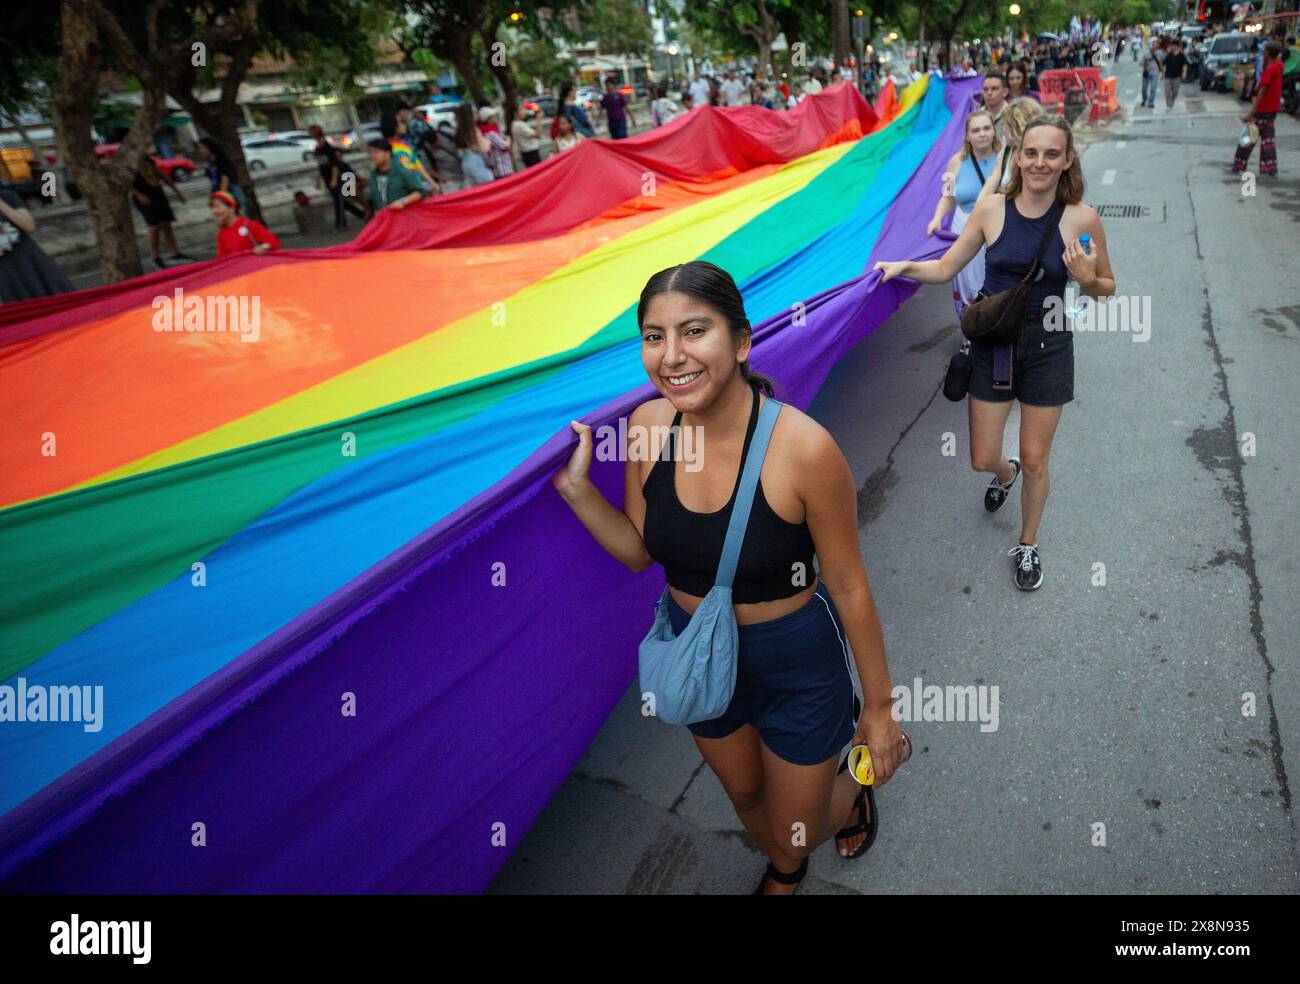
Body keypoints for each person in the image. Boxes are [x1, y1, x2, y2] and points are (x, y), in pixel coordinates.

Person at [551, 260, 907, 894]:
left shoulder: (804, 449)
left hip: (796, 665)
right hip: (698, 654)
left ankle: (850, 793)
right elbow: (640, 552)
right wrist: (578, 491)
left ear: (741, 343)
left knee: (797, 827)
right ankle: (784, 863)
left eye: (694, 330)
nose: (671, 355)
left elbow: (850, 586)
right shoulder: (648, 429)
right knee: (745, 793)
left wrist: (878, 712)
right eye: (653, 335)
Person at [874, 117, 1115, 591]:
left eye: (1051, 154)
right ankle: (1006, 474)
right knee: (983, 457)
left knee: (1037, 458)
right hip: (994, 343)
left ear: (1067, 160)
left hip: (1049, 345)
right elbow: (946, 268)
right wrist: (903, 267)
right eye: (1031, 153)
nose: (1040, 163)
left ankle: (1028, 543)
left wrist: (1087, 280)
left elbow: (1107, 286)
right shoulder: (990, 210)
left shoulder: (1081, 218)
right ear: (1017, 156)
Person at [928, 110, 1002, 321]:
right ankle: (970, 337)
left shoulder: (1006, 158)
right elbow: (948, 195)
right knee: (968, 285)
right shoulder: (956, 162)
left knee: (998, 284)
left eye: (987, 128)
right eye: (976, 130)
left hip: (999, 229)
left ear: (994, 131)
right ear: (968, 135)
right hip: (965, 228)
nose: (982, 134)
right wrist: (937, 219)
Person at [0, 183, 73, 302]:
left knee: (55, 295)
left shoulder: (7, 196)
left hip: (30, 259)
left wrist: (3, 206)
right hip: (5, 270)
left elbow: (29, 226)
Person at [131, 154, 194, 271]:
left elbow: (160, 174)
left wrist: (176, 190)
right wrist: (138, 194)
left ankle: (175, 254)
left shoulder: (147, 159)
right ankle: (155, 258)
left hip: (157, 193)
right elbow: (126, 180)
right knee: (154, 227)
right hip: (144, 197)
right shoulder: (129, 159)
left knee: (166, 224)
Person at [1233, 40, 1284, 178]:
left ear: (1267, 52)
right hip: (1273, 110)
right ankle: (1270, 167)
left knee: (1249, 137)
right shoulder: (1279, 66)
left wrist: (1251, 113)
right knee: (1268, 140)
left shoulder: (1270, 69)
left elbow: (1262, 92)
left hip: (1262, 110)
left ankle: (1239, 164)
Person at [309, 125, 366, 230]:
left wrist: (334, 179)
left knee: (339, 201)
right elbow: (321, 165)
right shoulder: (318, 149)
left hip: (335, 178)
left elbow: (334, 165)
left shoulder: (328, 148)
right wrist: (318, 180)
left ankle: (340, 224)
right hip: (328, 178)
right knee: (341, 201)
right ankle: (362, 214)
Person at [209, 190, 280, 257]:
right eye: (212, 208)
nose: (214, 211)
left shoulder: (250, 225)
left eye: (217, 206)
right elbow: (222, 260)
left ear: (232, 208)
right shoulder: (221, 235)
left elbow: (273, 242)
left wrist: (263, 247)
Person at [381, 111, 440, 192]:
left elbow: (416, 163)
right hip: (407, 191)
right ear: (393, 126)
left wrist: (431, 182)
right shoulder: (387, 148)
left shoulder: (404, 143)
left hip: (417, 187)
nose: (404, 125)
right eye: (401, 123)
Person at [366, 138, 428, 212]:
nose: (372, 155)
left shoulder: (400, 171)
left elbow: (421, 192)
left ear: (388, 153)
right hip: (385, 218)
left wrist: (403, 201)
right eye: (370, 152)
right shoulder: (374, 175)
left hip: (403, 216)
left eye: (376, 152)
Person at [196, 136, 245, 214]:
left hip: (231, 195)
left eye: (201, 148)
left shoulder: (220, 160)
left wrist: (221, 199)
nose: (200, 151)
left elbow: (225, 181)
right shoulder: (211, 164)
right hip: (223, 195)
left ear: (209, 148)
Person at [453, 104, 495, 187]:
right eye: (474, 112)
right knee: (488, 186)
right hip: (476, 161)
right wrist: (488, 141)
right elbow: (484, 149)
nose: (476, 114)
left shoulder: (459, 130)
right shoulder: (474, 129)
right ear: (469, 115)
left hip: (466, 162)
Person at [477, 106, 514, 179]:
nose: (497, 117)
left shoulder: (495, 130)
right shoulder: (490, 133)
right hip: (502, 170)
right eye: (494, 116)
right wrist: (509, 139)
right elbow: (504, 146)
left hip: (505, 168)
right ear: (488, 119)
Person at [979, 72, 1010, 142]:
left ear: (1005, 92)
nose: (989, 93)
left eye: (994, 88)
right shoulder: (976, 116)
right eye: (985, 89)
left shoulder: (1014, 115)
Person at [1163, 39, 1189, 111]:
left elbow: (1185, 65)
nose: (1173, 47)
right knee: (1167, 91)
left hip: (1177, 76)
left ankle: (1172, 102)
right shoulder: (1168, 55)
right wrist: (1162, 73)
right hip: (1168, 76)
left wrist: (1184, 73)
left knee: (1175, 91)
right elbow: (1163, 64)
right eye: (1172, 46)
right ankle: (1168, 105)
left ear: (1177, 47)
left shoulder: (1181, 55)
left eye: (1174, 46)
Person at [1140, 39, 1161, 109]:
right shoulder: (1146, 53)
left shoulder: (1159, 53)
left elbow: (1161, 63)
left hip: (1155, 73)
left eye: (1156, 44)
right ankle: (1144, 99)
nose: (1155, 46)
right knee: (1144, 89)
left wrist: (1163, 72)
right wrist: (1146, 62)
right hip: (1147, 73)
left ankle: (1151, 102)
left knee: (1153, 88)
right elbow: (1141, 63)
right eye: (1153, 44)